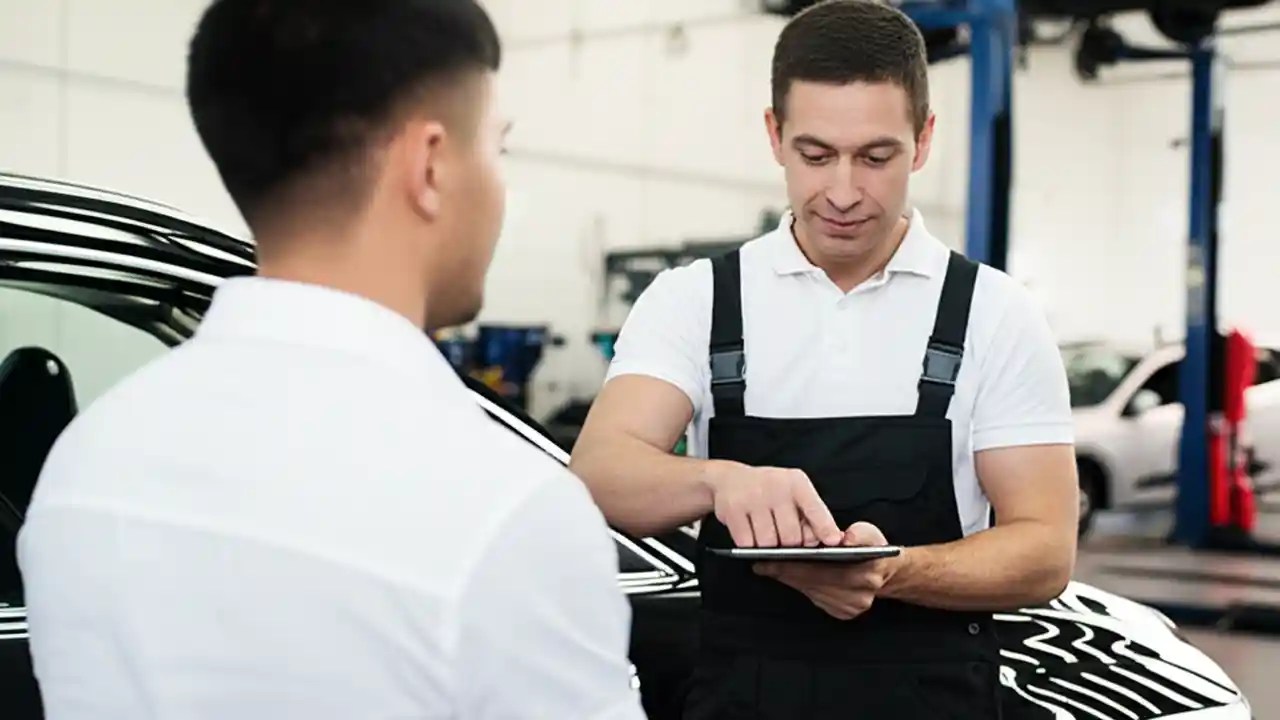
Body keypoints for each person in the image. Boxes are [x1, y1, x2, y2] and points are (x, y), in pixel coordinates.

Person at [17, 2, 645, 719]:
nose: (501, 190)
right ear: (432, 164)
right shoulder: (507, 510)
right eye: (498, 151)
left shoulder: (82, 466)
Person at [569, 1, 1079, 717]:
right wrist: (720, 482)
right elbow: (599, 473)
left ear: (923, 140)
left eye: (876, 157)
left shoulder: (995, 314)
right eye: (815, 155)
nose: (842, 192)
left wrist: (889, 572)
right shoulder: (697, 300)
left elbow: (1044, 549)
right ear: (774, 135)